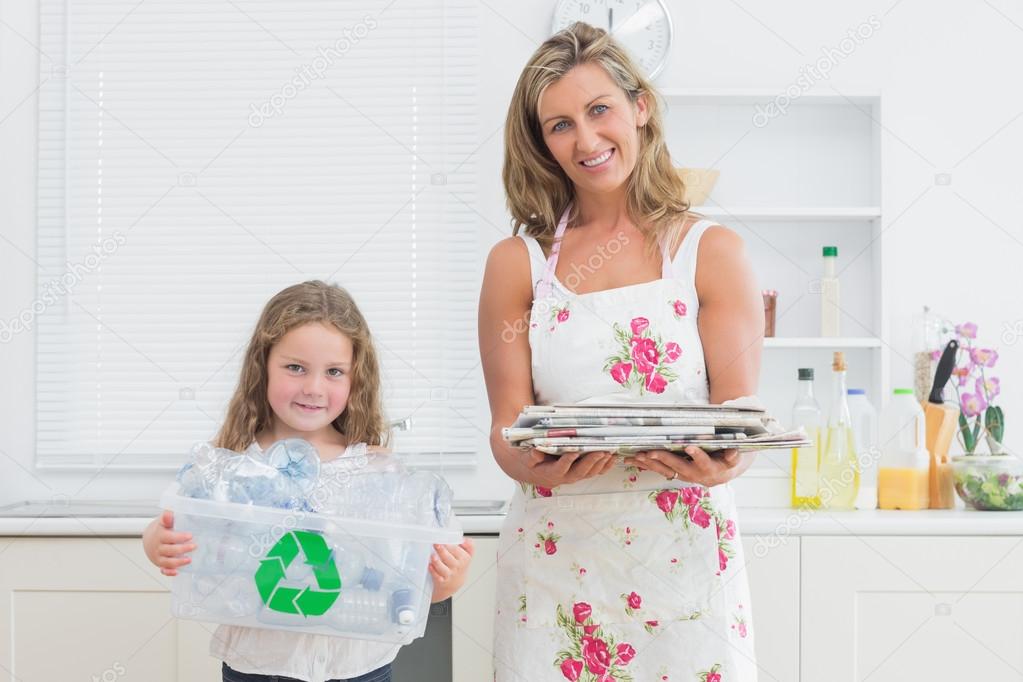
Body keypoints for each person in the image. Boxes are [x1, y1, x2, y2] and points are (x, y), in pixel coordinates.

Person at [479, 23, 764, 680]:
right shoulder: (516, 265)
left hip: (683, 555)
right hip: (556, 558)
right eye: (558, 125)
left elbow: (739, 411)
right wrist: (529, 466)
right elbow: (505, 428)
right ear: (539, 142)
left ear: (639, 107)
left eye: (598, 109)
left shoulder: (711, 251)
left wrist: (728, 457)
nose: (584, 140)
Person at [143, 280, 474, 682]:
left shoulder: (376, 471)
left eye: (334, 372)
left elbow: (404, 589)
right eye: (295, 367)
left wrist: (447, 579)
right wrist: (156, 543)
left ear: (356, 380)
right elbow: (183, 528)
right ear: (262, 366)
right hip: (256, 667)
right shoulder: (236, 466)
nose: (314, 388)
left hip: (358, 669)